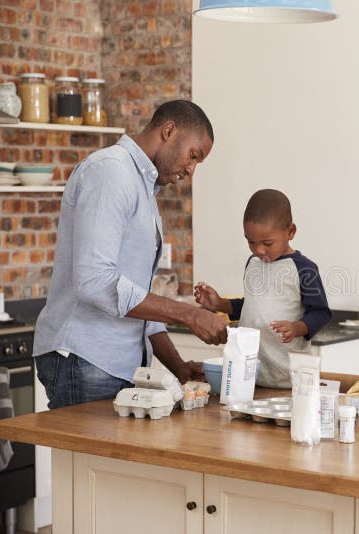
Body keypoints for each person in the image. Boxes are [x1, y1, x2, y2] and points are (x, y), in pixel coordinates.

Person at [33, 100, 228, 409]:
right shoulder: (111, 172)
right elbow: (95, 281)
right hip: (86, 362)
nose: (191, 170)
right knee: (85, 460)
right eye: (193, 156)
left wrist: (177, 366)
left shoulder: (144, 188)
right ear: (168, 131)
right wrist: (189, 313)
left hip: (118, 367)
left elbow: (137, 299)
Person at [194, 189, 331, 388]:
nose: (258, 250)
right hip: (249, 376)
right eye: (250, 242)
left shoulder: (304, 268)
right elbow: (252, 305)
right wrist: (220, 303)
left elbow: (321, 313)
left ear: (290, 232)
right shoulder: (253, 263)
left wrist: (296, 328)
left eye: (267, 243)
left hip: (287, 378)